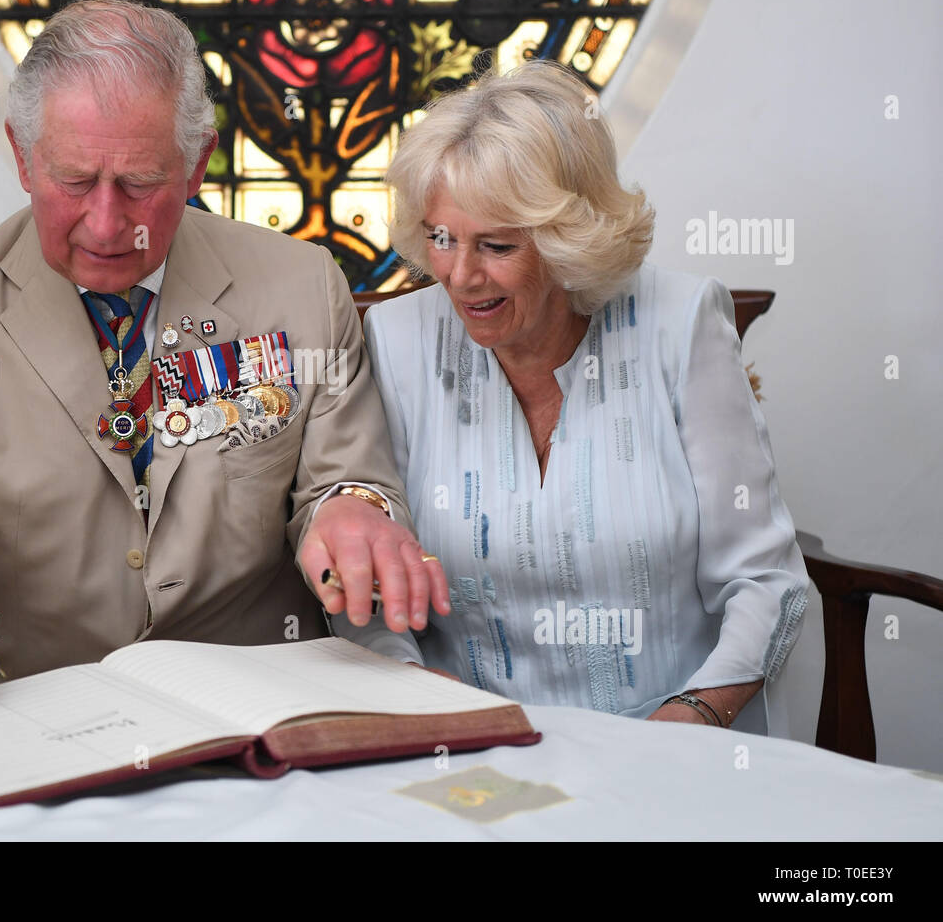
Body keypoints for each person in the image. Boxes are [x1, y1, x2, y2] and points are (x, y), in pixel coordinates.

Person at [0, 0, 448, 712]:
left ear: (198, 164)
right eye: (75, 181)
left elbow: (347, 485)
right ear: (22, 158)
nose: (107, 222)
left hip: (256, 718)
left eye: (141, 184)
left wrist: (353, 511)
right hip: (32, 722)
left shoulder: (303, 287)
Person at [340, 59, 810, 733]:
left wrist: (698, 712)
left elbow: (766, 582)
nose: (460, 276)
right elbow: (367, 585)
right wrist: (418, 690)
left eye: (496, 245)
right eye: (442, 239)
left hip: (675, 741)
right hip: (472, 745)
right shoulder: (398, 341)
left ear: (567, 240)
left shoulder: (680, 325)